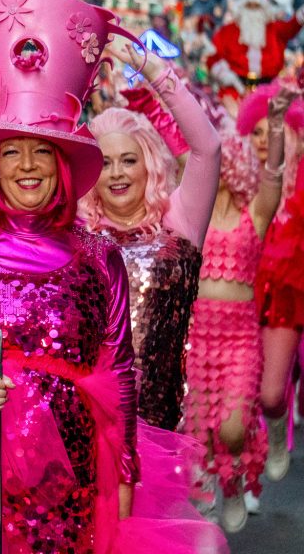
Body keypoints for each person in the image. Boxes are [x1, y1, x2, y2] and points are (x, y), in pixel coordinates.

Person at [0, 0, 227, 554]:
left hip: (80, 474)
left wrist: (127, 473)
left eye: (42, 150)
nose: (29, 165)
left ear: (62, 165)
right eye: (12, 152)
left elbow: (119, 370)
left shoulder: (97, 255)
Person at [81, 45, 221, 430]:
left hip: (161, 424)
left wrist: (151, 67)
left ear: (150, 164)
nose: (117, 174)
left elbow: (207, 148)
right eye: (104, 163)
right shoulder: (78, 228)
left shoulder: (180, 218)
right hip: (90, 419)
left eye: (128, 160)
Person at [182, 85, 295, 533]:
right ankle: (213, 492)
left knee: (230, 429)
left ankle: (233, 482)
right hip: (197, 338)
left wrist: (278, 133)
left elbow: (275, 176)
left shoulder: (256, 215)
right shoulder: (193, 213)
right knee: (197, 432)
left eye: (229, 158)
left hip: (239, 340)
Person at [247, 83, 304, 483]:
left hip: (287, 299)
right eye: (257, 132)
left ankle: (280, 421)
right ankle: (242, 472)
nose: (267, 140)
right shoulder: (238, 181)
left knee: (269, 395)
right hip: (240, 298)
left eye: (277, 129)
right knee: (238, 397)